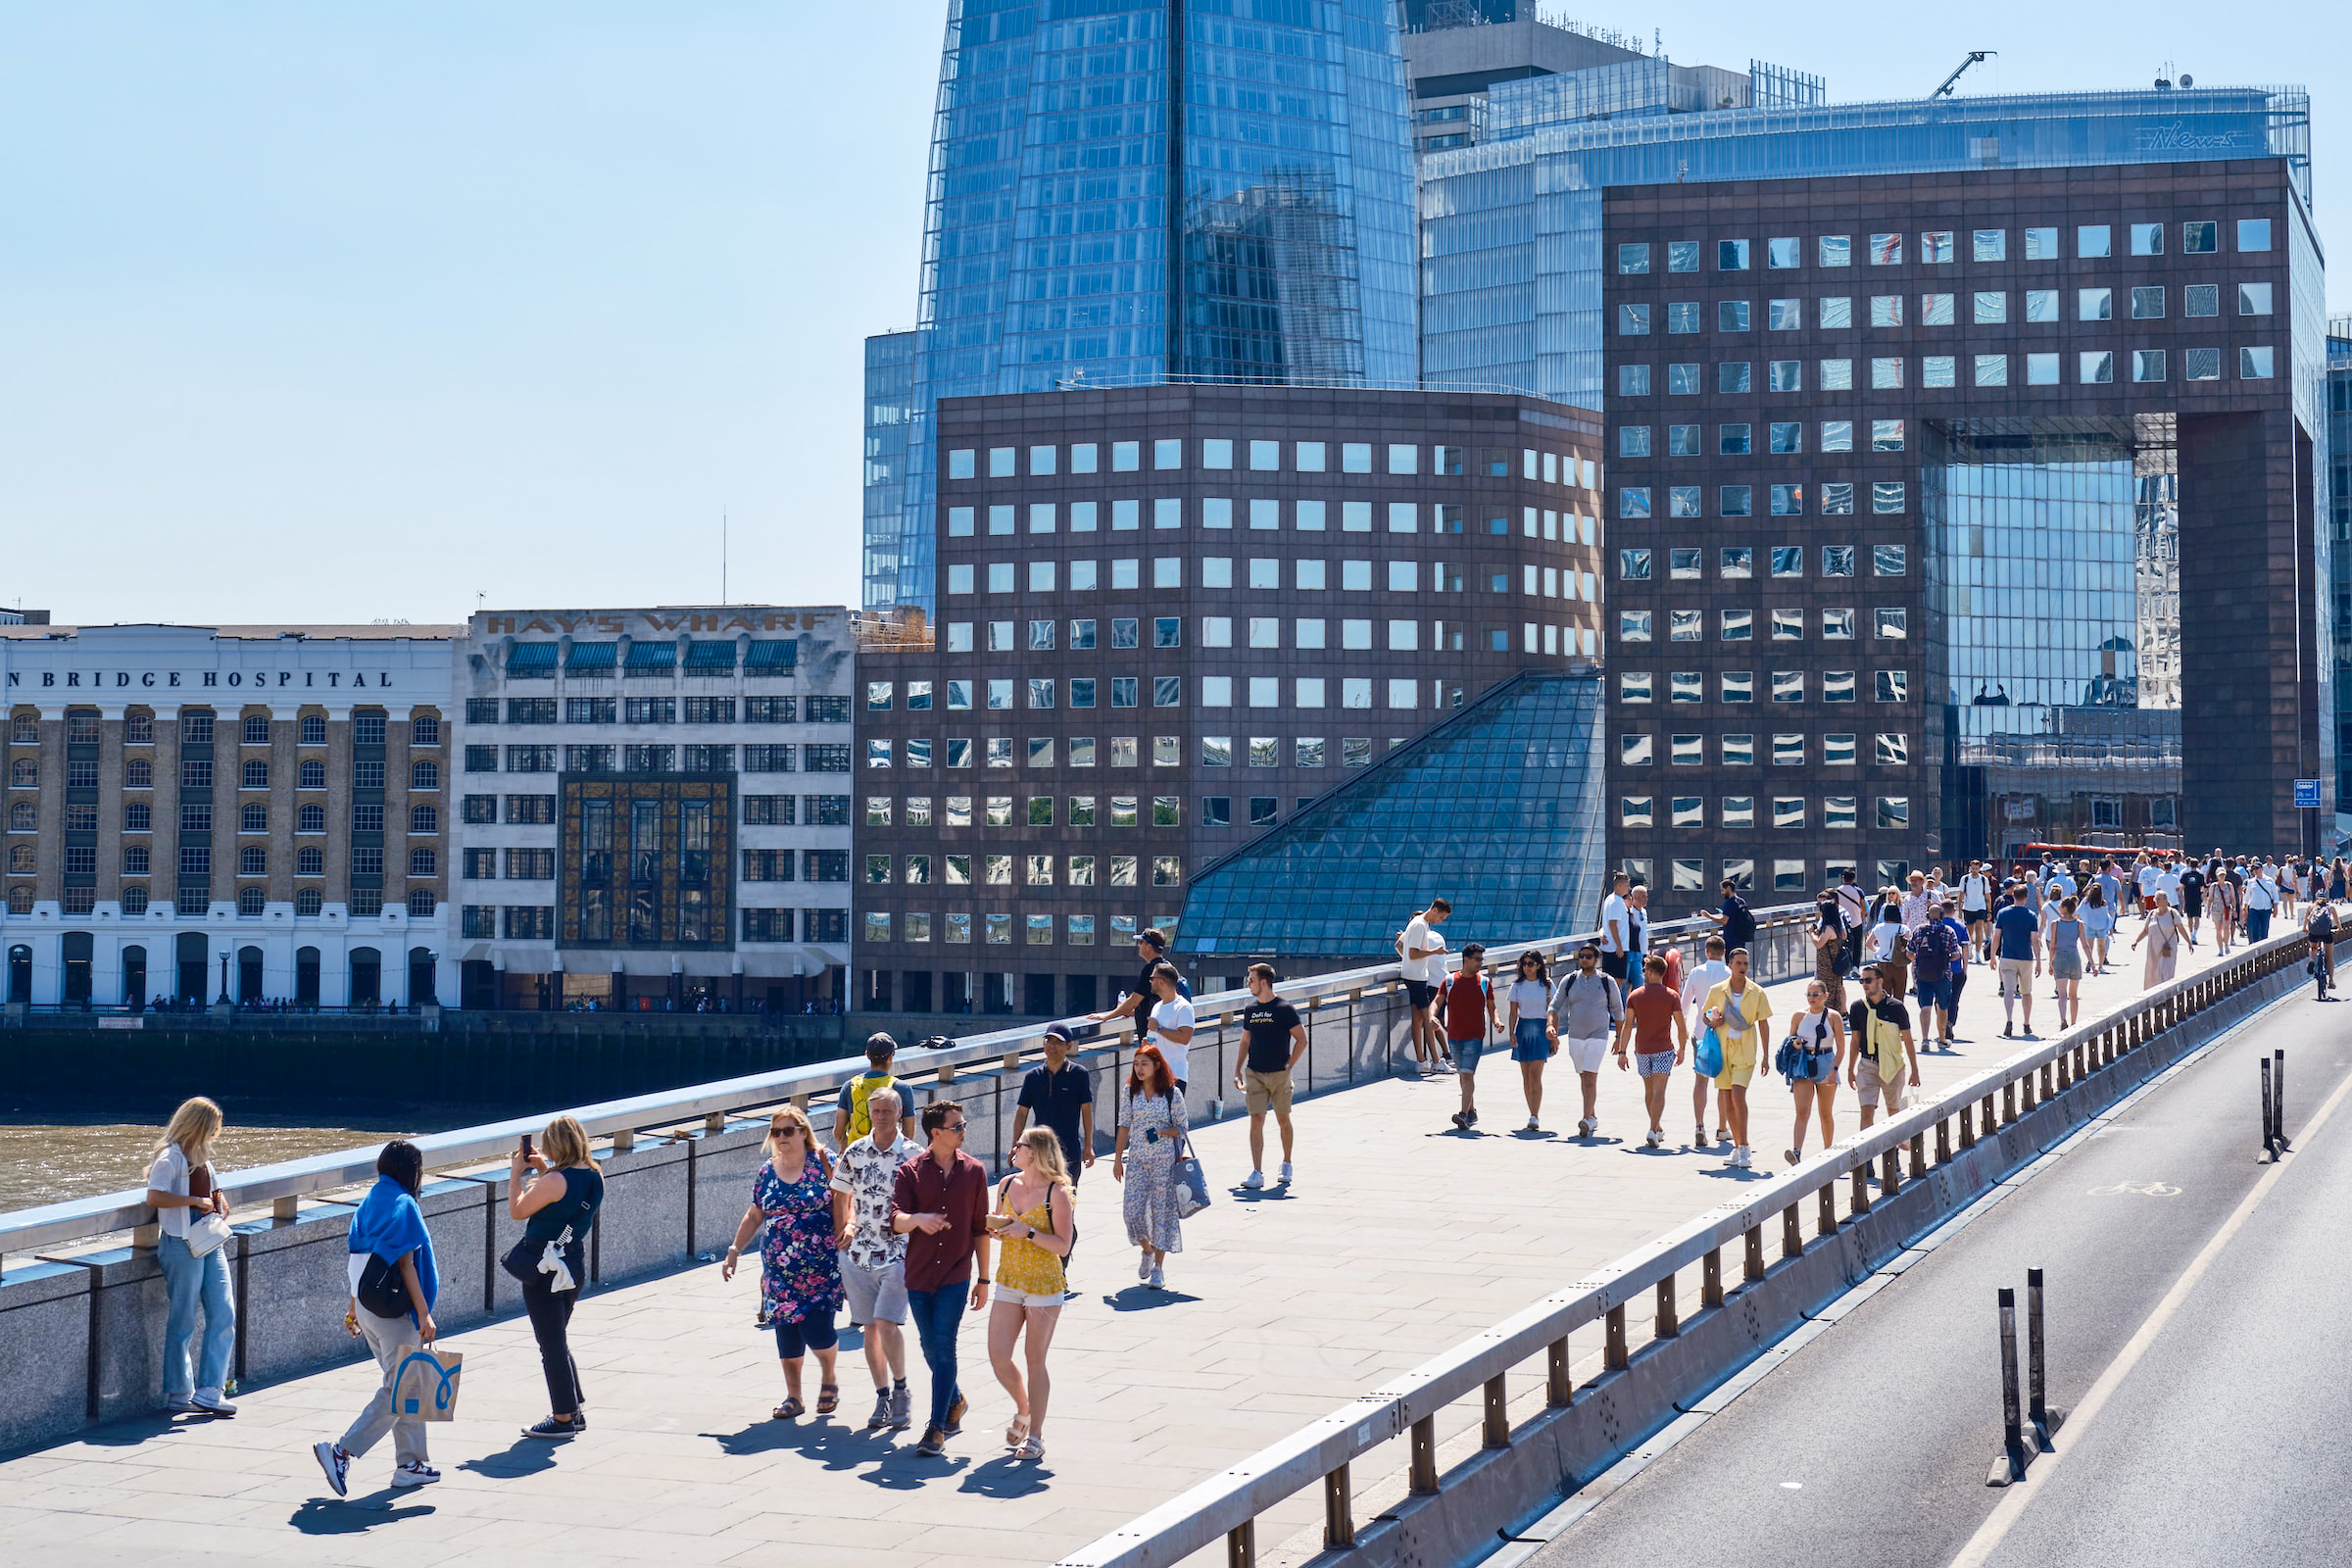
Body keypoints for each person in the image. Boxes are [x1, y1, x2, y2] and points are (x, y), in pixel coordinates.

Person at [314, 1141, 440, 1496]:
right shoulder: (404, 1204)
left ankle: (411, 1465)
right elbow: (405, 1263)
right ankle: (341, 1452)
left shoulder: (368, 1202)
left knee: (409, 1382)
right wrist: (424, 1312)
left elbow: (360, 1260)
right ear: (411, 1171)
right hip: (396, 1313)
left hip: (370, 1308)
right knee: (398, 1390)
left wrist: (353, 1306)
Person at [727, 1107, 846, 1421]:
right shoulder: (768, 1171)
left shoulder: (825, 1161)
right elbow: (755, 1213)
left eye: (788, 1131)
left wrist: (849, 1229)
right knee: (786, 1327)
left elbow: (848, 1199)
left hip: (821, 1263)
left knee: (818, 1329)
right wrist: (735, 1249)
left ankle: (829, 1377)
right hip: (779, 1267)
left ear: (803, 1132)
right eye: (776, 1132)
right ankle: (794, 1396)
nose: (781, 1137)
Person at [891, 1099, 991, 1458]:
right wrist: (918, 1219)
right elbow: (896, 1219)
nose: (964, 1130)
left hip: (955, 1274)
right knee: (929, 1347)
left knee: (944, 1344)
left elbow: (980, 1228)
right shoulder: (910, 1172)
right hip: (918, 1275)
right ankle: (956, 1399)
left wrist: (984, 1279)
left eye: (963, 1125)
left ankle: (935, 1428)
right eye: (957, 1126)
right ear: (936, 1133)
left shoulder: (975, 1171)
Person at [829, 1086, 920, 1430]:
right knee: (870, 1329)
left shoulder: (913, 1154)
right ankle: (882, 1396)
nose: (880, 1117)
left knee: (886, 1322)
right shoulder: (855, 1151)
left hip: (898, 1252)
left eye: (886, 1111)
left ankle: (901, 1390)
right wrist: (845, 1228)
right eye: (875, 1112)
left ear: (899, 1113)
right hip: (859, 1254)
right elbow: (840, 1191)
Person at [507, 1114, 602, 1440]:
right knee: (557, 1337)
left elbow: (519, 1210)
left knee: (550, 1344)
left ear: (556, 1145)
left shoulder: (553, 1181)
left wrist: (517, 1173)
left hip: (545, 1269)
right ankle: (573, 1409)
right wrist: (542, 1170)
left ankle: (562, 1418)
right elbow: (565, 1198)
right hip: (572, 1262)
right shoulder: (594, 1176)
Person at [985, 1126, 1074, 1462]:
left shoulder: (1058, 1193)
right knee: (998, 1355)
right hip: (1009, 1278)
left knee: (1034, 1359)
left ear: (1034, 1152)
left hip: (1044, 1285)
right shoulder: (1008, 1184)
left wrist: (1028, 1231)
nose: (1014, 1149)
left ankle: (1035, 1436)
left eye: (1019, 1145)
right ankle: (1024, 1407)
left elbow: (1062, 1245)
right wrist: (998, 1232)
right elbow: (1002, 1231)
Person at [145, 1096, 237, 1417]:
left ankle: (212, 1389)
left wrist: (217, 1200)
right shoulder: (170, 1157)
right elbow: (154, 1196)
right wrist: (195, 1201)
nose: (216, 1133)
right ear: (198, 1126)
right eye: (212, 1127)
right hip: (181, 1243)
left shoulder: (203, 1158)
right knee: (183, 1317)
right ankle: (179, 1390)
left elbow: (214, 1191)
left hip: (208, 1240)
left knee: (223, 1310)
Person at [1113, 1044, 1188, 1290]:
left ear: (1157, 1065)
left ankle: (1158, 1267)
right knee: (1131, 1212)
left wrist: (1163, 1131)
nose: (1139, 1069)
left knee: (1161, 1213)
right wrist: (1117, 1160)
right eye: (1136, 1064)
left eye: (1144, 1064)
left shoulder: (1171, 1093)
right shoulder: (1129, 1092)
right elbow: (1124, 1124)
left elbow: (1183, 1127)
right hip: (1137, 1159)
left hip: (1164, 1160)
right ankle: (1147, 1249)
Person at [1233, 963, 1306, 1187]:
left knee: (1283, 1118)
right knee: (1256, 1119)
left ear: (1263, 982)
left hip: (1279, 1074)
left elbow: (1302, 1039)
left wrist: (1289, 1064)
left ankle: (1287, 1162)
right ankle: (1257, 1171)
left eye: (1251, 980)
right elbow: (1245, 1041)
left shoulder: (1284, 1009)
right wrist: (1237, 1070)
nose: (1248, 984)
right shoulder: (1251, 1009)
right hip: (1255, 1072)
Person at [1011, 1022, 1097, 1205]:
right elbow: (1021, 1113)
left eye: (1058, 1042)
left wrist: (1088, 1145)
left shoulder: (1078, 1074)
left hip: (1069, 1149)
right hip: (1039, 1149)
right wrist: (1015, 1144)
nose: (1052, 1046)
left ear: (1069, 1046)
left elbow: (1086, 1111)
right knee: (1040, 1202)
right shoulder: (1033, 1077)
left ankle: (1068, 1233)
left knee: (1066, 1200)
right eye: (1048, 1040)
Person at [1700, 949, 1771, 1168]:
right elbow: (1705, 1015)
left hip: (1745, 1049)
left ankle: (1745, 1147)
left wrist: (1766, 1055)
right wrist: (1712, 1021)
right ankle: (1737, 1146)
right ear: (1729, 965)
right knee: (1727, 1098)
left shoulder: (1757, 992)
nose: (1742, 967)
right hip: (1722, 1049)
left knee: (1738, 1096)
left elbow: (1763, 1023)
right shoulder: (1717, 991)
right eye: (1739, 963)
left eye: (1746, 963)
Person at [1612, 954, 1689, 1149]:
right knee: (1659, 1091)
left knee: (1649, 1090)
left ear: (1652, 972)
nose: (1643, 972)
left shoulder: (1635, 996)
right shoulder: (1672, 996)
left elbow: (1627, 1026)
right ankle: (1655, 1128)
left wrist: (1622, 1052)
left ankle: (1655, 1128)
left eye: (1645, 969)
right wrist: (1682, 1049)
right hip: (1664, 1048)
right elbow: (1681, 1026)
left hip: (1642, 1049)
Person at [1549, 943, 1624, 1141]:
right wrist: (1550, 1025)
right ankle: (1592, 1114)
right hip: (1575, 1036)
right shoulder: (1570, 980)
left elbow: (1618, 1010)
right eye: (1581, 956)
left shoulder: (1607, 981)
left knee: (1590, 1077)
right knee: (1584, 1078)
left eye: (1588, 956)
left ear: (1596, 959)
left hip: (1598, 1035)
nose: (1584, 959)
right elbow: (1554, 1004)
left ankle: (1586, 1118)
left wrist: (1619, 1037)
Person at [1091, 928, 1188, 1065]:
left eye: (1141, 942)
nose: (1138, 945)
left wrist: (1106, 1016)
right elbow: (1147, 1001)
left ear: (1149, 947)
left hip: (1155, 1045)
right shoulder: (1167, 967)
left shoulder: (1152, 970)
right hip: (1166, 1045)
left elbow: (1133, 1001)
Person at [1778, 980, 1846, 1165]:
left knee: (1825, 1112)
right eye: (1809, 994)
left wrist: (1834, 1069)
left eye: (1816, 994)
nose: (1811, 998)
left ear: (1825, 996)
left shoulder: (1833, 1017)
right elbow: (1789, 1039)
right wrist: (1794, 1043)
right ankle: (1797, 1152)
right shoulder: (1799, 1016)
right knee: (1802, 1110)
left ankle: (1828, 1150)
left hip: (1825, 1062)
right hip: (1803, 1063)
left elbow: (1841, 1047)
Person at [1846, 965, 1917, 1133]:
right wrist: (1850, 1069)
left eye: (1868, 980)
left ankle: (1894, 1151)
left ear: (1880, 981)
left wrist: (1915, 1070)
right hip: (1867, 1064)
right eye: (1862, 981)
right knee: (1866, 1112)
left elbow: (1907, 1040)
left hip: (1892, 1065)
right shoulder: (1857, 1007)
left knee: (1893, 1111)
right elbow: (1855, 1040)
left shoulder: (1896, 1007)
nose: (1864, 984)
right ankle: (1866, 1156)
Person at [1441, 943, 1500, 1130]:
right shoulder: (1449, 981)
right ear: (1466, 959)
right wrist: (1432, 1015)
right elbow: (1437, 1001)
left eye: (1481, 959)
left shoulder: (1484, 982)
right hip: (1454, 1035)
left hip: (1475, 1036)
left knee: (1467, 1074)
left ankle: (1464, 1115)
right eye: (1477, 959)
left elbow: (1492, 1006)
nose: (1480, 963)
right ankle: (1472, 1110)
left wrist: (1497, 1021)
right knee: (1464, 1075)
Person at [1684, 935, 1733, 1148]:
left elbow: (1684, 1003)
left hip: (1702, 1032)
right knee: (1723, 1083)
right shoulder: (1730, 974)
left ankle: (1699, 1125)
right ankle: (1722, 1128)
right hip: (1725, 1034)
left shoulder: (1696, 972)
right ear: (1723, 953)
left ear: (1706, 952)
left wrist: (1682, 1030)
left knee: (1700, 1080)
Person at [1396, 899, 1454, 1072]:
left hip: (1413, 976)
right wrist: (1434, 952)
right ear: (1435, 910)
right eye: (1442, 917)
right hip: (1417, 978)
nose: (1441, 921)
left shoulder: (1416, 922)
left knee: (1417, 1019)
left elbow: (1400, 946)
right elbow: (1413, 954)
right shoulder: (1421, 925)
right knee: (1430, 1020)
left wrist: (1406, 957)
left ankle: (1422, 1061)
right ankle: (1437, 1061)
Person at [1503, 950, 1557, 1133]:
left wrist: (1554, 1037)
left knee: (1535, 1074)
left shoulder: (1547, 985)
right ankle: (1531, 1112)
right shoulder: (1517, 986)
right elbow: (1512, 1012)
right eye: (1524, 964)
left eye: (1531, 963)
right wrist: (1511, 1033)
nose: (1527, 967)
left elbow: (1553, 1010)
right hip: (1523, 1027)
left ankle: (1535, 1114)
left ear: (1538, 965)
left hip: (1541, 1028)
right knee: (1526, 1075)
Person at [832, 1033, 900, 1153]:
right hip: (889, 1156)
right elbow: (909, 1133)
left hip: (856, 1156)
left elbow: (838, 1133)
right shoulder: (900, 1088)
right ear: (891, 1056)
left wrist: (846, 1143)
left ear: (867, 1055)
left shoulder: (849, 1086)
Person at [1909, 898, 1960, 1049]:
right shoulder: (1948, 931)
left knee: (1925, 1007)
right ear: (1942, 916)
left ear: (1927, 915)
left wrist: (1919, 960)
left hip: (1922, 974)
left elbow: (1909, 953)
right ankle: (1942, 1039)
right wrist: (1945, 960)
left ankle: (1925, 1039)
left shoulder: (1918, 930)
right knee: (1942, 1007)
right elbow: (1956, 954)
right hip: (1942, 974)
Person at [1994, 885, 2040, 1039]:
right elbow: (2035, 940)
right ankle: (2026, 1023)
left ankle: (2009, 1020)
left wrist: (1994, 956)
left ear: (2013, 895)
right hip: (2025, 957)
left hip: (2007, 956)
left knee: (2008, 990)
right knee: (2026, 992)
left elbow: (1996, 936)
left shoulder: (2003, 913)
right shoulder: (2031, 915)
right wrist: (2039, 960)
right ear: (2026, 897)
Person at [1142, 962, 1196, 1094]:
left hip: (1174, 1075)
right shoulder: (1157, 1006)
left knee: (1171, 1114)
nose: (1150, 982)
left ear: (1161, 982)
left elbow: (1185, 1038)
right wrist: (1147, 1045)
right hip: (1154, 1075)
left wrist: (1159, 1029)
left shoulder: (1183, 1007)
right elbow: (1156, 1036)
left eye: (1152, 978)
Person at [2132, 891, 2188, 986]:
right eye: (2155, 899)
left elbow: (2181, 928)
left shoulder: (2172, 913)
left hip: (2168, 947)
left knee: (2166, 970)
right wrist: (2136, 941)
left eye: (2158, 899)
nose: (2156, 901)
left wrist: (2189, 942)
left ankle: (2166, 992)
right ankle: (2154, 994)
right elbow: (2146, 930)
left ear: (2165, 900)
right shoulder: (2152, 914)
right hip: (2154, 948)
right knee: (2154, 971)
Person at [2047, 897, 2086, 1029]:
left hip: (2060, 958)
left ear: (2064, 908)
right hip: (2074, 959)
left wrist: (2050, 962)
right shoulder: (2079, 924)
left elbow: (2052, 945)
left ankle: (2063, 1019)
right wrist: (2092, 963)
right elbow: (2085, 945)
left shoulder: (2055, 924)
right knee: (2073, 995)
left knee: (2062, 995)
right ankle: (2074, 1022)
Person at [1701, 878, 1755, 959]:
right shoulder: (1741, 901)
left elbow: (1724, 921)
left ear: (1728, 889)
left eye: (1722, 890)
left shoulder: (1729, 903)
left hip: (1731, 939)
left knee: (1731, 963)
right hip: (1741, 938)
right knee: (1739, 961)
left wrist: (1709, 916)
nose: (1721, 893)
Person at [1597, 873, 1634, 987]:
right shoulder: (1616, 902)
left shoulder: (1610, 899)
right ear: (1619, 885)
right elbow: (1612, 924)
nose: (1628, 889)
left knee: (1611, 980)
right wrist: (1619, 945)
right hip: (1616, 949)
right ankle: (1613, 1004)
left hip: (1612, 947)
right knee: (1617, 981)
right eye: (1627, 886)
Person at [1961, 861, 1995, 961]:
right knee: (1969, 931)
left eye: (1976, 868)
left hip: (1981, 907)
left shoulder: (1984, 880)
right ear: (1970, 868)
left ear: (1979, 869)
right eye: (1972, 868)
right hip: (1968, 907)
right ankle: (1970, 946)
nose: (1974, 870)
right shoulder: (1965, 879)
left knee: (1979, 929)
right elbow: (1961, 895)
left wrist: (1989, 911)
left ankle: (1977, 954)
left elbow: (1988, 897)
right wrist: (1959, 909)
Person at [2082, 880, 2117, 974]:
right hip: (2101, 927)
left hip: (2089, 926)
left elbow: (2079, 912)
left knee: (2089, 947)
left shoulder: (2086, 902)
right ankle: (2100, 966)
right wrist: (2110, 929)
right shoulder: (2103, 903)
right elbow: (2106, 917)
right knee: (2101, 947)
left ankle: (2090, 962)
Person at [2310, 898, 2340, 999]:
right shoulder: (2330, 908)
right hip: (2327, 934)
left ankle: (2312, 960)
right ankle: (2331, 980)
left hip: (2313, 934)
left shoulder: (2311, 907)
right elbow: (2337, 920)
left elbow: (2306, 923)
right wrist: (2339, 928)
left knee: (2313, 947)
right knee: (2329, 956)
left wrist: (2305, 929)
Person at [2206, 867, 2236, 956]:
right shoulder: (2213, 886)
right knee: (2218, 929)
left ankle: (2226, 944)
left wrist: (2234, 909)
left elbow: (2233, 898)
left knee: (2226, 928)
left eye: (2223, 875)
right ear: (2217, 876)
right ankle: (2220, 948)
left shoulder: (2229, 885)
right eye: (2220, 875)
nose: (2222, 877)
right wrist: (2208, 910)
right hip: (2216, 909)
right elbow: (2210, 898)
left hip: (2226, 909)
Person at [2244, 862, 2277, 942]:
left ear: (2262, 869)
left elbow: (2275, 895)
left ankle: (2263, 949)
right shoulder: (2251, 882)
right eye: (2254, 869)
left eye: (2257, 868)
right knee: (2254, 929)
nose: (2256, 871)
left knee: (2264, 930)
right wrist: (2245, 909)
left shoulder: (2269, 880)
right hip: (2254, 908)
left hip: (2266, 908)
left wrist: (2275, 908)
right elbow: (2247, 897)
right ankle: (2254, 947)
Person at [2178, 859, 2206, 943]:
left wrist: (2181, 895)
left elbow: (2182, 886)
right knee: (2197, 917)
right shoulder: (2200, 875)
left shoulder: (2185, 875)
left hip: (2188, 897)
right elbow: (2202, 887)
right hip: (2197, 898)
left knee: (2189, 917)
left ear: (2190, 865)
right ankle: (2194, 934)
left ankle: (2191, 934)